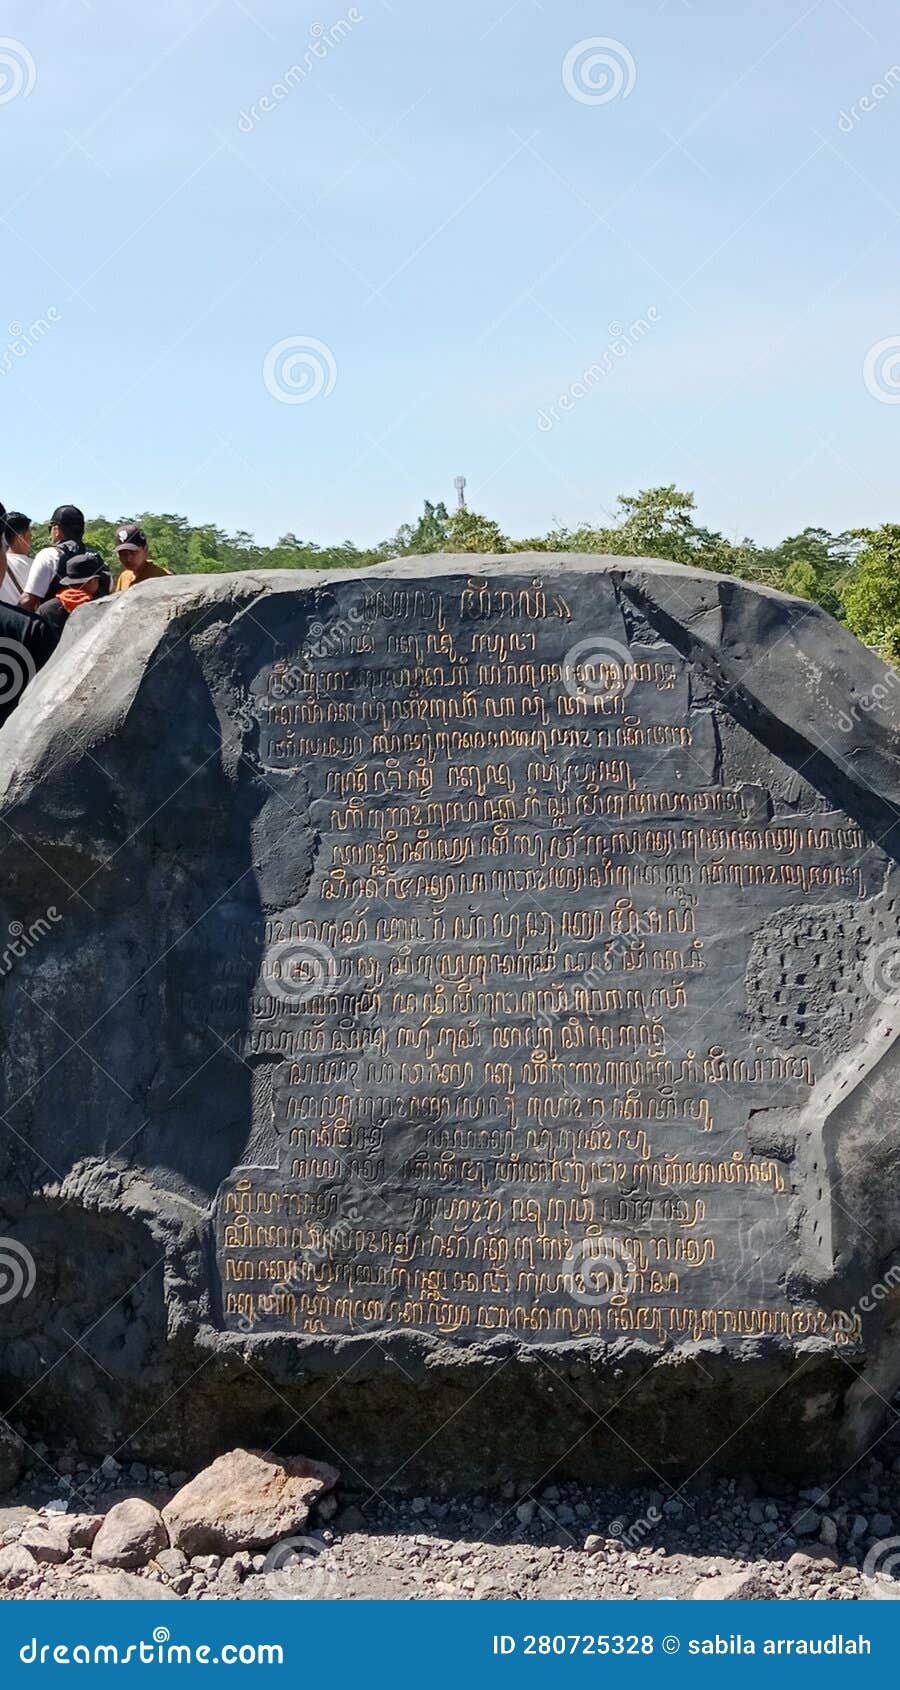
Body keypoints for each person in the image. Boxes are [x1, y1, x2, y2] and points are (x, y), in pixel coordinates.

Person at [18, 504, 89, 613]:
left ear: (56, 530)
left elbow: (28, 600)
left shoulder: (49, 555)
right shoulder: (96, 558)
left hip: (53, 627)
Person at [113, 524, 170, 591]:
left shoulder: (162, 577)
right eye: (123, 554)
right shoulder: (124, 577)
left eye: (133, 552)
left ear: (145, 550)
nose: (128, 559)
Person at [0, 513, 33, 608]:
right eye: (30, 536)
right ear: (21, 538)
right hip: (24, 620)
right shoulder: (34, 565)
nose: (31, 541)